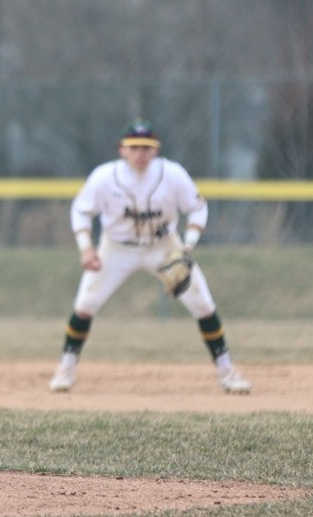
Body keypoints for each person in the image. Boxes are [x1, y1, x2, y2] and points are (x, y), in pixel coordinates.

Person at [49, 120, 252, 394]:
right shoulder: (104, 177)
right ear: (122, 150)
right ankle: (66, 369)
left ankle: (227, 372)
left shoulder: (172, 174)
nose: (140, 153)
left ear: (155, 150)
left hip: (164, 246)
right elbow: (80, 211)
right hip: (116, 248)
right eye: (134, 147)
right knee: (85, 305)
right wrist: (86, 247)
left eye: (146, 147)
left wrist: (188, 245)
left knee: (203, 305)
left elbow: (198, 208)